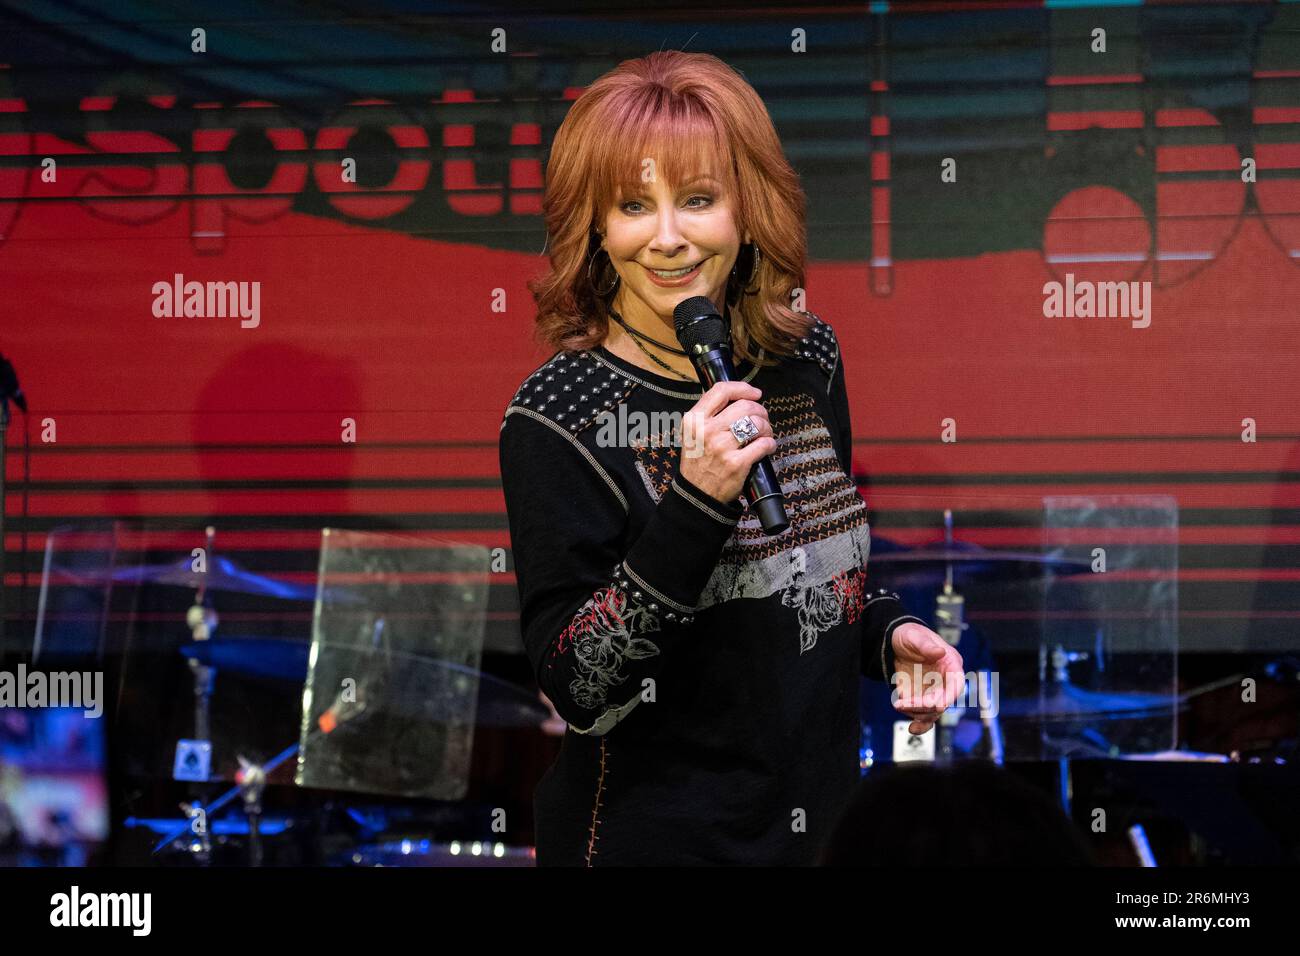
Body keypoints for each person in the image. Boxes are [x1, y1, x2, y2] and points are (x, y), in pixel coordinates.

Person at [498, 50, 965, 866]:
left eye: (699, 200)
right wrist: (697, 500)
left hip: (816, 835)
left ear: (748, 210)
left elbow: (816, 569)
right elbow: (579, 687)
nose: (668, 238)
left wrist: (887, 630)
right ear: (595, 228)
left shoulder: (806, 356)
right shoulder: (558, 415)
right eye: (634, 205)